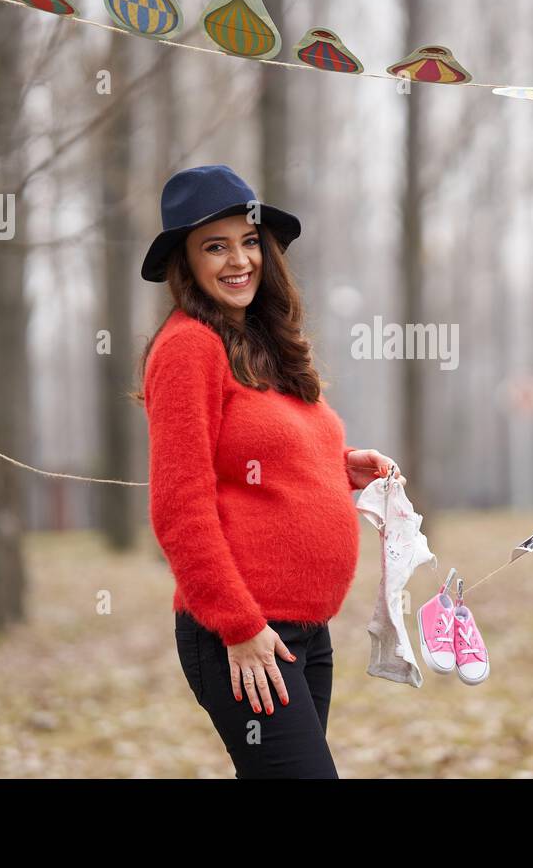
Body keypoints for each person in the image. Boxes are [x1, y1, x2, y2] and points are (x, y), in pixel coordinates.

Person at [134, 164, 402, 778]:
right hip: (247, 634)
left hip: (306, 632)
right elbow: (180, 507)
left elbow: (256, 460)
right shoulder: (188, 347)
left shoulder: (258, 341)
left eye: (249, 240)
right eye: (215, 245)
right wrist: (239, 626)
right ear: (186, 263)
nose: (239, 259)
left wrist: (338, 468)